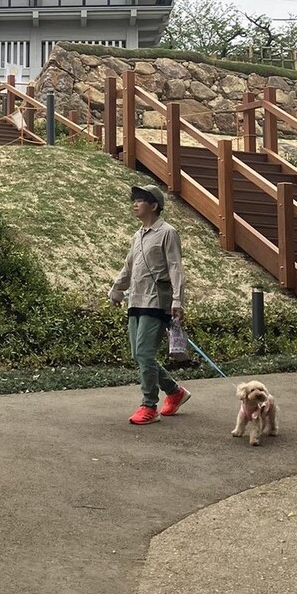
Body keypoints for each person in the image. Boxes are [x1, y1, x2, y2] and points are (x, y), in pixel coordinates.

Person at [109, 182, 190, 425]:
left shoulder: (167, 232)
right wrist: (117, 289)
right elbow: (129, 266)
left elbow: (176, 268)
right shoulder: (137, 236)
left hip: (157, 302)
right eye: (134, 199)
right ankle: (175, 392)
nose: (134, 204)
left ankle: (148, 405)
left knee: (144, 353)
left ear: (154, 205)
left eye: (140, 200)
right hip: (136, 299)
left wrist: (178, 300)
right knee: (139, 354)